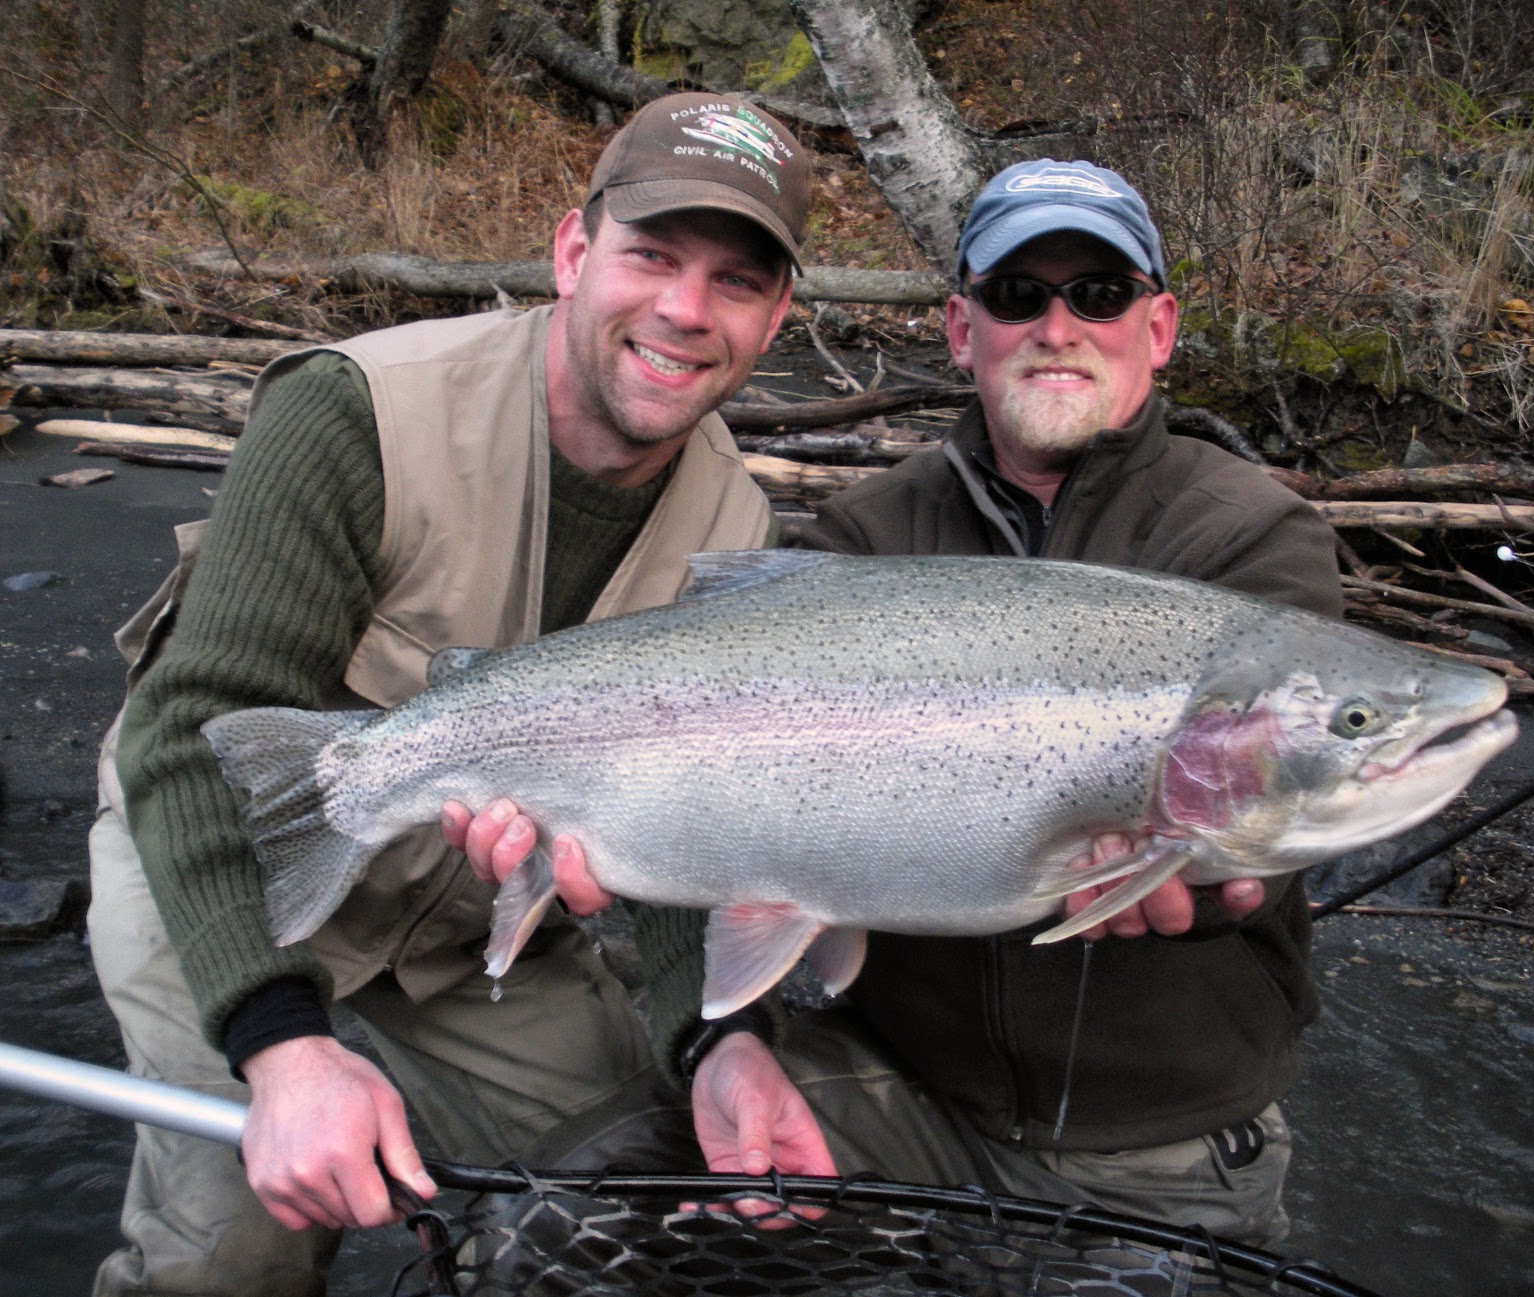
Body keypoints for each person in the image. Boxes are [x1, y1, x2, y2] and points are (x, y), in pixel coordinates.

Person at [456, 159, 1343, 1247]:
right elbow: (734, 795)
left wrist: (1215, 883)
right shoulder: (867, 536)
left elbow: (1291, 797)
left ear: (1156, 328)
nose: (1057, 325)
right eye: (1018, 296)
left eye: (1098, 295)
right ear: (961, 331)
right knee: (545, 1235)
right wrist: (714, 1015)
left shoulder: (1248, 537)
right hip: (891, 1094)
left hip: (1162, 1150)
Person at [85, 92, 812, 1297]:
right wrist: (281, 1042)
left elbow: (702, 832)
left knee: (618, 1208)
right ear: (574, 253)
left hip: (473, 918)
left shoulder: (737, 530)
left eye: (736, 280)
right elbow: (195, 735)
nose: (686, 311)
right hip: (215, 849)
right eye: (651, 256)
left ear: (776, 316)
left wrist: (722, 1036)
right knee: (238, 1250)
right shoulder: (357, 411)